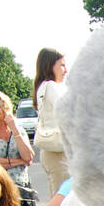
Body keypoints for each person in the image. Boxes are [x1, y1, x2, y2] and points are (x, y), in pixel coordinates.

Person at [33, 48, 69, 198]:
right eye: (61, 65)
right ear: (50, 66)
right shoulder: (51, 86)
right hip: (58, 151)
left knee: (61, 198)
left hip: (54, 151)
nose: (65, 70)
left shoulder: (44, 87)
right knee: (63, 203)